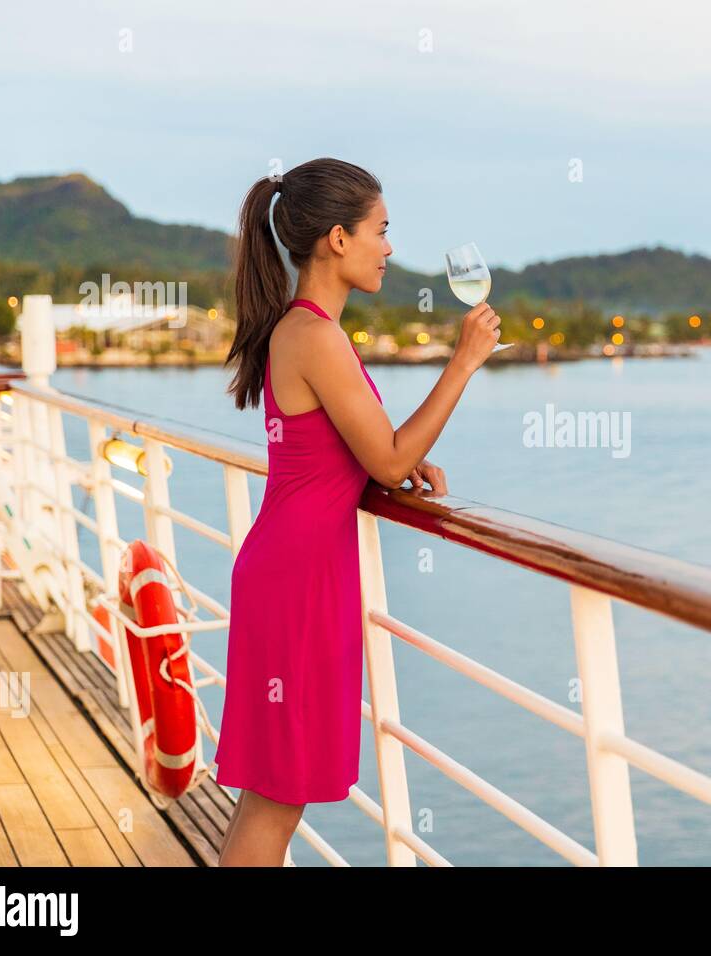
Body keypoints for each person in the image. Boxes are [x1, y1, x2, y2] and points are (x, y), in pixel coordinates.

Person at [214, 157, 499, 865]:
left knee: (271, 794)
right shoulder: (315, 335)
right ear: (338, 238)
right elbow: (389, 457)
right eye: (382, 229)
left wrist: (394, 473)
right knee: (276, 803)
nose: (390, 248)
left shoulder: (304, 329)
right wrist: (462, 361)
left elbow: (365, 457)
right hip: (299, 584)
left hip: (294, 572)